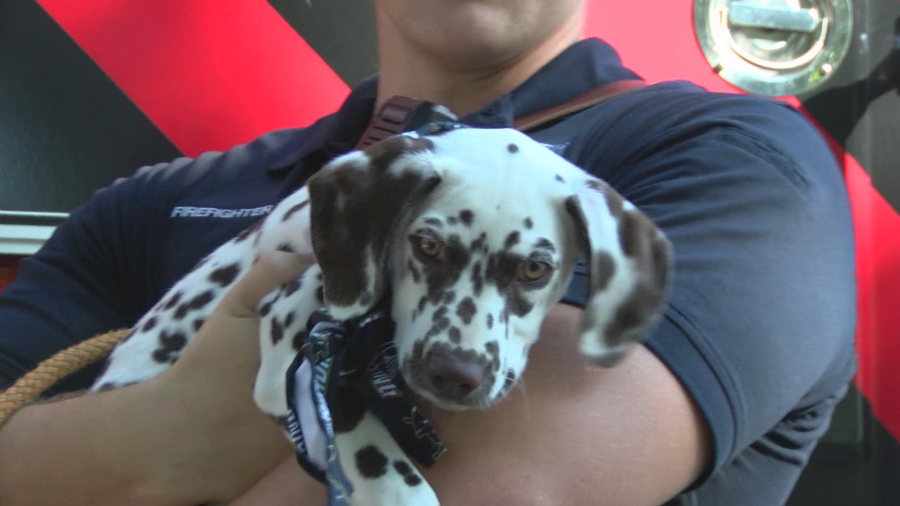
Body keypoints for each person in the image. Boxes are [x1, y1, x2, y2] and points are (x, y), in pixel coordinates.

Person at [0, 1, 856, 505]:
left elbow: (496, 485)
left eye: (526, 270)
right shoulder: (153, 203)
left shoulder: (730, 162)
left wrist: (110, 456)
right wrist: (166, 433)